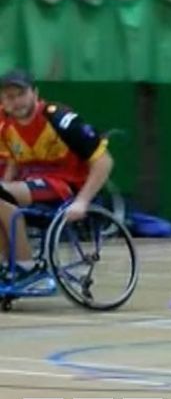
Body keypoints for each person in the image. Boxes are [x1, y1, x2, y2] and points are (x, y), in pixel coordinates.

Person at [0, 69, 113, 279]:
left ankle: (26, 268)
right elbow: (13, 163)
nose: (16, 102)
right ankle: (7, 265)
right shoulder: (7, 127)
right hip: (34, 186)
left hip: (66, 186)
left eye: (21, 94)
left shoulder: (59, 119)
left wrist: (82, 202)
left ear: (35, 93)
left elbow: (104, 161)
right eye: (9, 97)